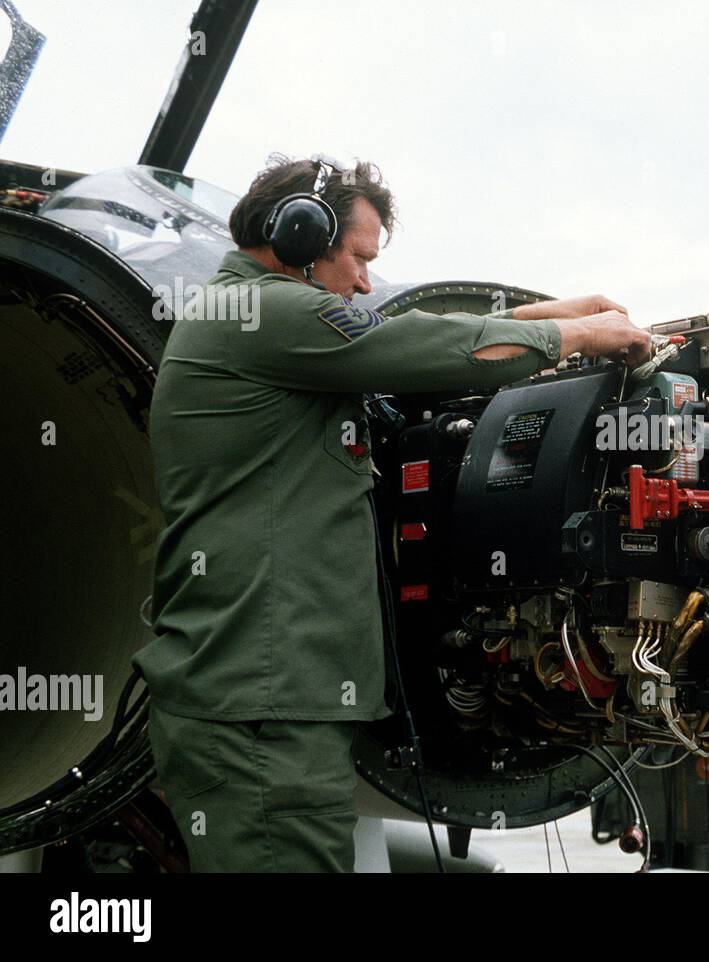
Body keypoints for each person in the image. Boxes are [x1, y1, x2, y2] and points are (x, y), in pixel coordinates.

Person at [132, 154, 650, 871]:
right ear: (299, 239)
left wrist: (560, 312)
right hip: (261, 717)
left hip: (259, 706)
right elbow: (422, 346)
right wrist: (584, 338)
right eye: (356, 258)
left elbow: (414, 343)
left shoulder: (252, 319)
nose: (365, 280)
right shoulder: (269, 317)